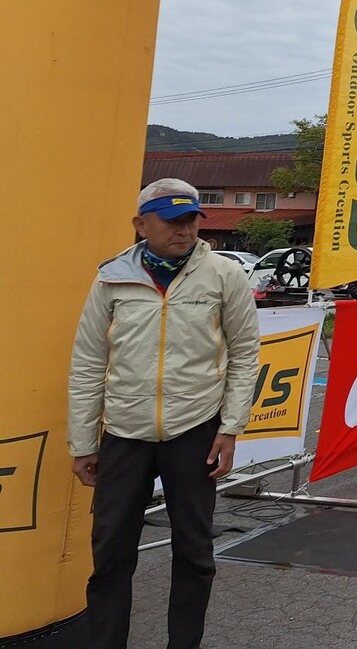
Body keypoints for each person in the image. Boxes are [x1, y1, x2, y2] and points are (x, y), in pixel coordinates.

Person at [68, 178, 260, 649]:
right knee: (110, 553)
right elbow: (89, 360)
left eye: (191, 219)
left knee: (195, 553)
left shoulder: (223, 275)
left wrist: (231, 428)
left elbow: (245, 354)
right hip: (124, 434)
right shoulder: (112, 276)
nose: (184, 229)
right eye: (172, 220)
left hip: (194, 430)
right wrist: (83, 442)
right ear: (141, 224)